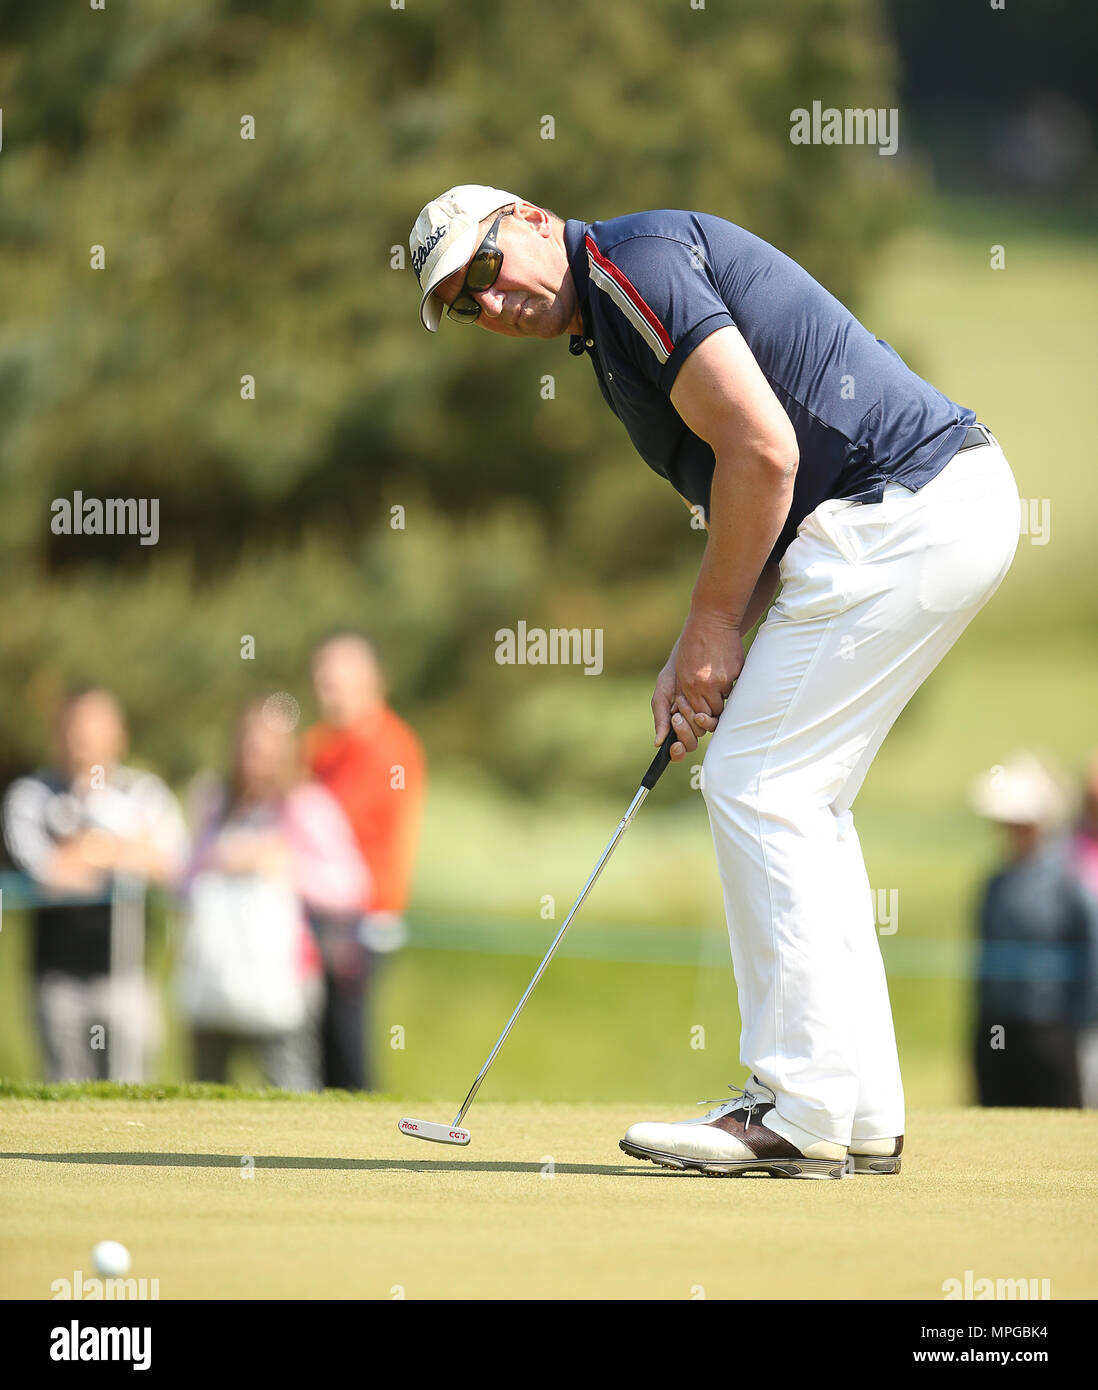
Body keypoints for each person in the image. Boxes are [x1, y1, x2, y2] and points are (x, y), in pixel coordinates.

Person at [408, 185, 1021, 1178]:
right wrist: (706, 649)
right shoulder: (610, 325)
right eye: (466, 305)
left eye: (484, 270)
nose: (492, 304)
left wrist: (710, 625)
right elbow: (759, 500)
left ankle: (798, 1105)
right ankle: (856, 1110)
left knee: (756, 784)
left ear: (524, 217)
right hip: (925, 513)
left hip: (904, 509)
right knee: (801, 796)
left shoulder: (631, 266)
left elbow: (764, 452)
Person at [180, 699, 369, 1091]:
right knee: (206, 1086)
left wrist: (287, 867)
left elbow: (352, 885)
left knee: (291, 1083)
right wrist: (221, 859)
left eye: (268, 750)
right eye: (249, 747)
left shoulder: (307, 806)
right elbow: (180, 878)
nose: (257, 761)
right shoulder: (214, 804)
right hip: (215, 969)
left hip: (285, 975)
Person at [1, 688, 186, 1081]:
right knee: (66, 1094)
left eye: (96, 727)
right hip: (58, 977)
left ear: (120, 734)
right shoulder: (30, 795)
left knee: (132, 1095)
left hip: (128, 975)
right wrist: (119, 851)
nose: (84, 738)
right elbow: (49, 874)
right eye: (75, 728)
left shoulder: (145, 793)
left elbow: (168, 864)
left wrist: (87, 848)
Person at [305, 634, 427, 1091]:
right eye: (321, 681)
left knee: (346, 1046)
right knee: (319, 1046)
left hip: (364, 919)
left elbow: (327, 824)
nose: (327, 691)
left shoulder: (388, 746)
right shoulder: (321, 745)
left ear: (372, 681)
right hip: (319, 917)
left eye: (337, 680)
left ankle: (359, 1152)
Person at [970, 754, 1098, 1107]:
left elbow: (1089, 957)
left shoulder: (1068, 885)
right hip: (998, 1027)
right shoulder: (995, 885)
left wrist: (1084, 1026)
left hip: (1052, 1028)